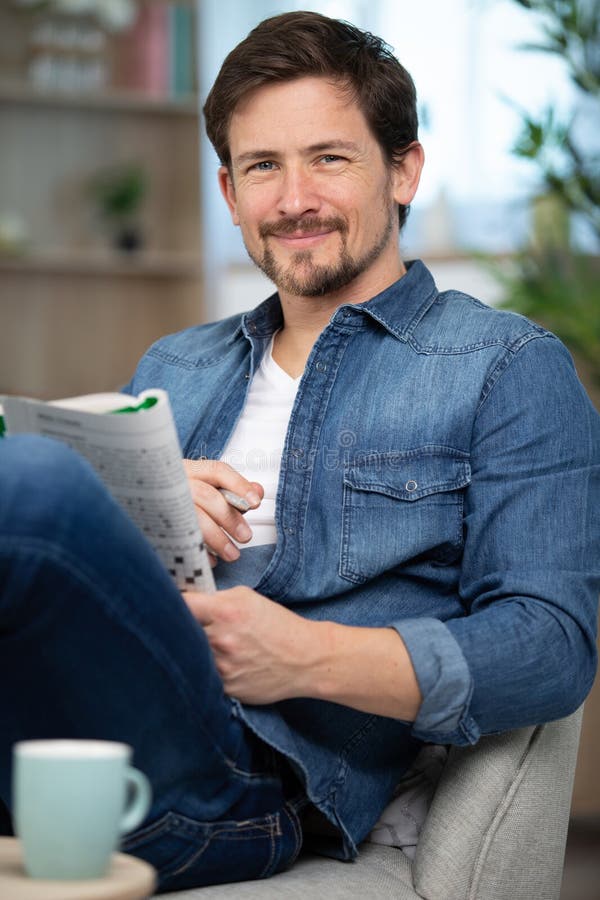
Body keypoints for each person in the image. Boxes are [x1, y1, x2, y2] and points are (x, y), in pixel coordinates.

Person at [1, 10, 599, 892]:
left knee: (35, 485)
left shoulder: (507, 368)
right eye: (262, 167)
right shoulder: (178, 365)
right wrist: (136, 515)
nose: (292, 200)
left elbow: (550, 645)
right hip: (74, 728)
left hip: (253, 782)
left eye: (329, 158)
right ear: (229, 192)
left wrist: (306, 655)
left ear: (405, 169)